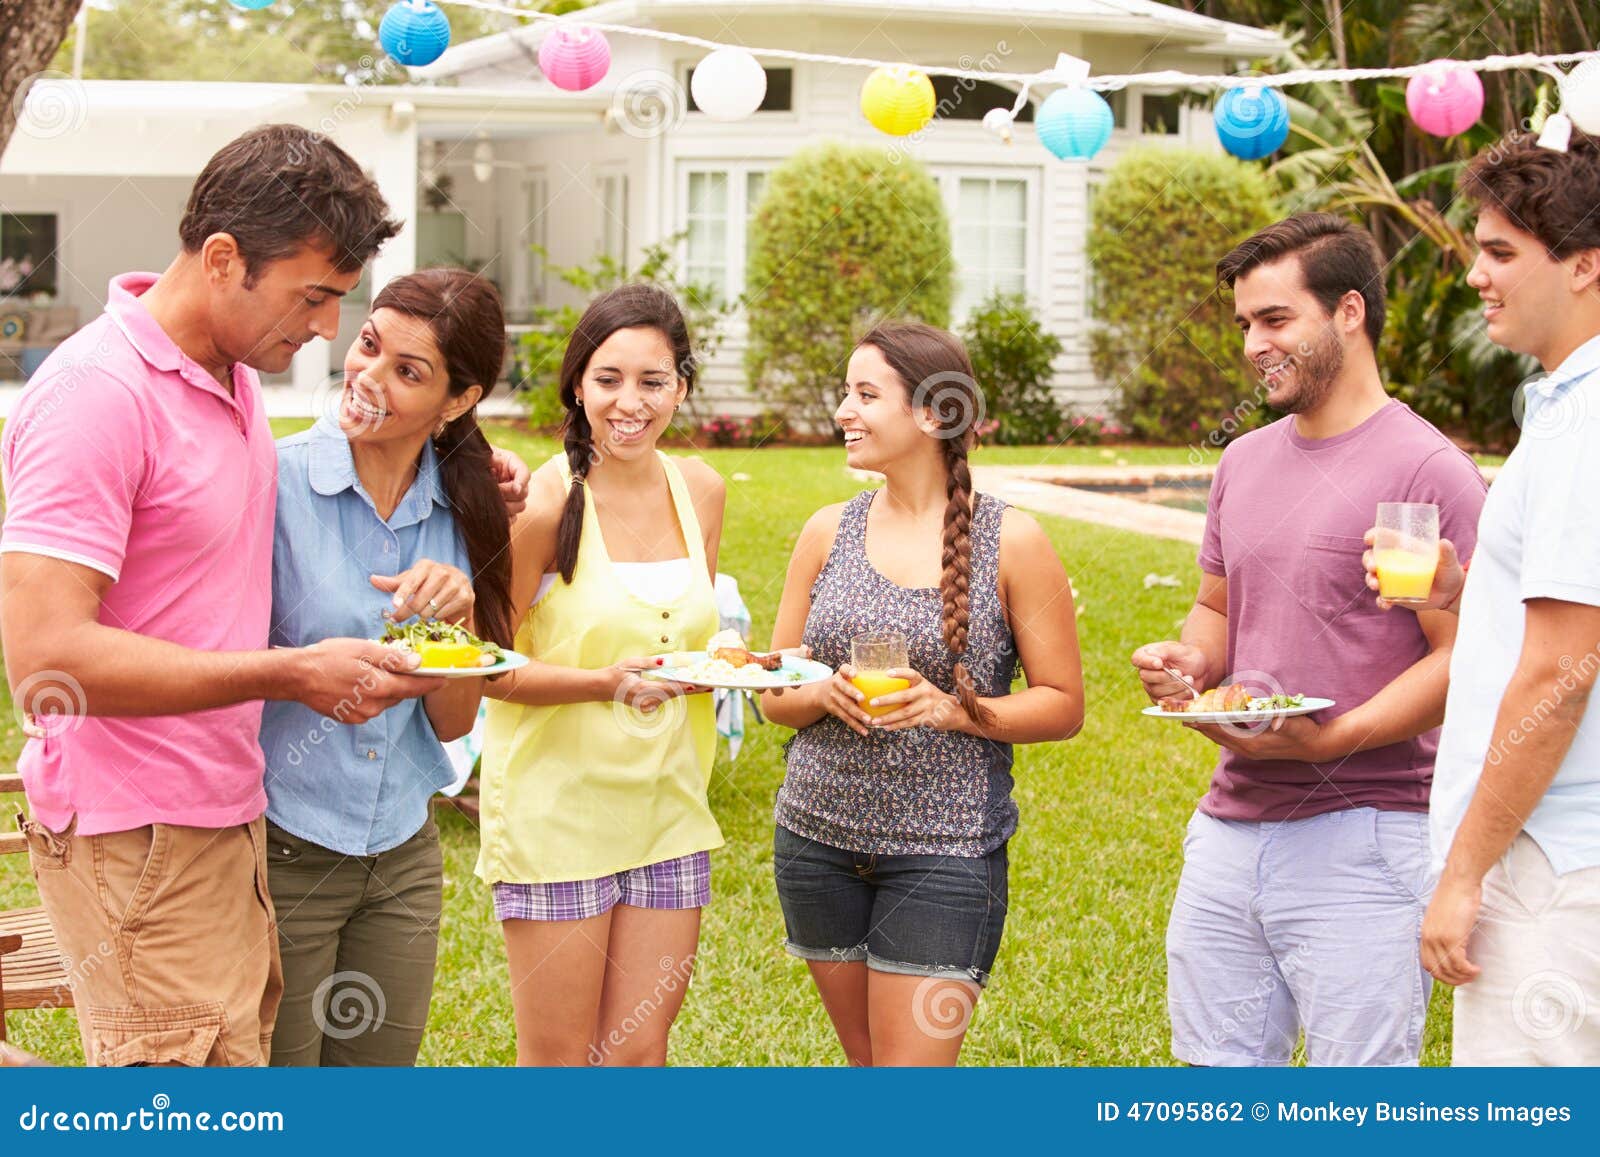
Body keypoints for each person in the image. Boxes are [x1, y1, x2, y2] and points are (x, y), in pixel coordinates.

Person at [0, 125, 528, 1067]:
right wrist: (291, 672)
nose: (330, 331)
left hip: (224, 821)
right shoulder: (95, 394)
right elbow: (43, 662)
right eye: (317, 297)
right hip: (139, 832)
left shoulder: (231, 380)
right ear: (223, 260)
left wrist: (478, 470)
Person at [1130, 212, 1487, 1066]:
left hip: (1367, 832)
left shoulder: (1427, 469)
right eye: (1246, 323)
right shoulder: (1242, 461)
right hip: (1229, 822)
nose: (1254, 343)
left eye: (1276, 318)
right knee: (1214, 1084)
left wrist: (1332, 738)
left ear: (1350, 312)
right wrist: (1192, 660)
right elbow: (1216, 610)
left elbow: (1461, 653)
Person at [760, 320, 1083, 1066]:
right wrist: (821, 694)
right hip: (816, 841)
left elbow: (1063, 703)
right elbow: (774, 692)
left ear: (932, 413)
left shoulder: (1014, 541)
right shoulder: (824, 532)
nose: (843, 410)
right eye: (847, 392)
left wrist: (953, 708)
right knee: (869, 1069)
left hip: (944, 854)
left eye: (865, 394)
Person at [1364, 130, 1600, 1064]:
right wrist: (1471, 586)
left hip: (1548, 862)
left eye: (1501, 252)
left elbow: (1560, 672)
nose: (1475, 276)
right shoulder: (1561, 407)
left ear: (1585, 265)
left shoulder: (1585, 428)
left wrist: (1463, 873)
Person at [261, 269, 514, 1066]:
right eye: (370, 345)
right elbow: (216, 656)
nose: (369, 376)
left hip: (402, 850)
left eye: (409, 371)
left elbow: (453, 722)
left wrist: (463, 619)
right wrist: (306, 668)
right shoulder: (274, 481)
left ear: (459, 400)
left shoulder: (470, 509)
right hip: (282, 842)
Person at [478, 284, 727, 1066]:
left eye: (653, 381)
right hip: (559, 817)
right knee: (559, 1062)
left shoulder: (701, 491)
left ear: (680, 387)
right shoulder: (547, 501)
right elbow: (485, 666)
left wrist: (712, 672)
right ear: (578, 385)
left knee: (637, 1055)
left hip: (669, 813)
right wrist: (600, 683)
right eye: (608, 378)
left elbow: (691, 640)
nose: (630, 402)